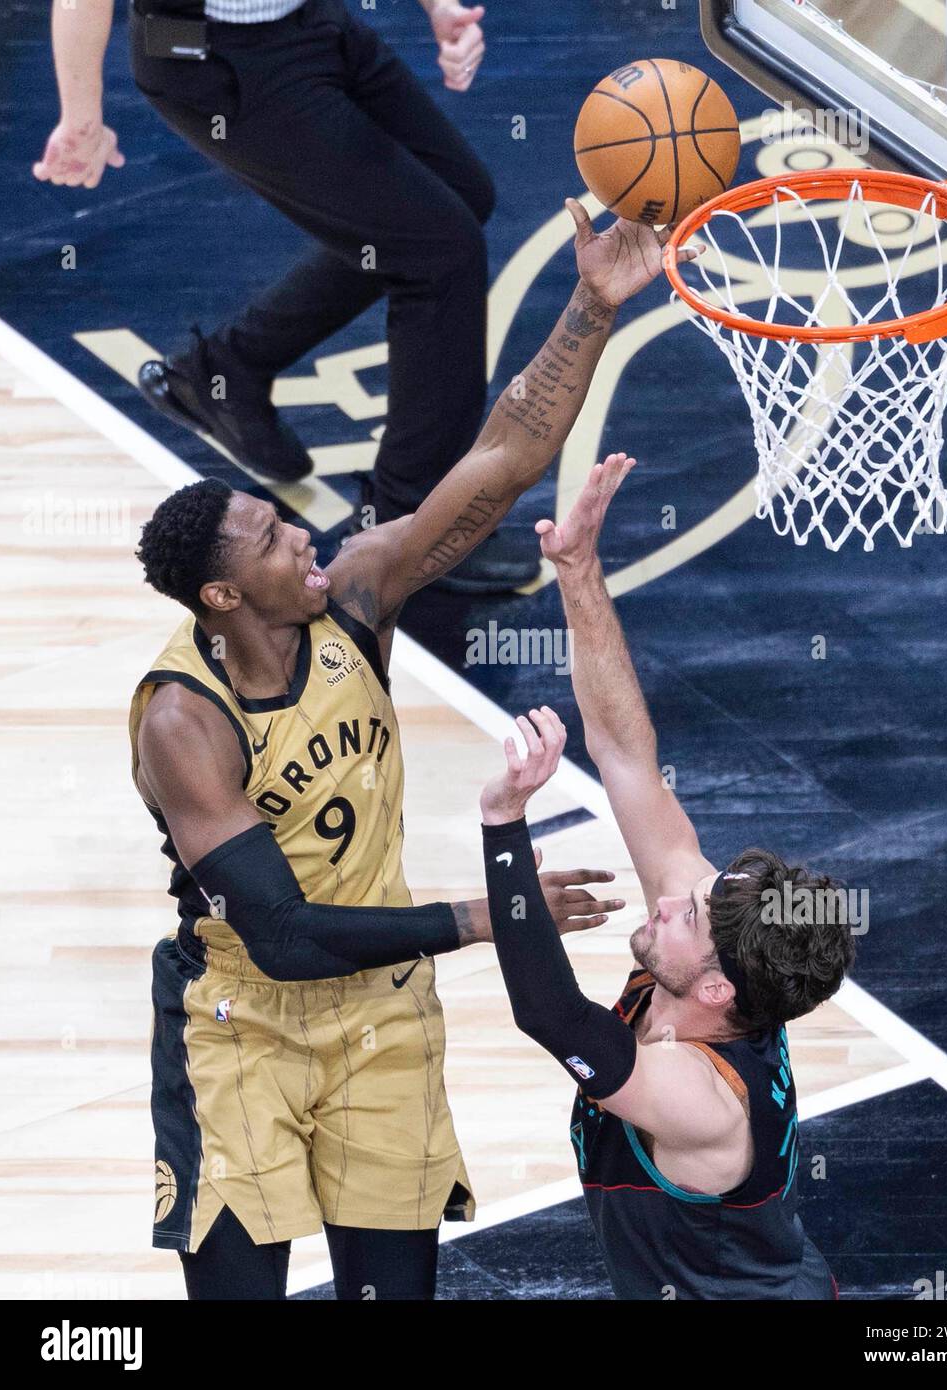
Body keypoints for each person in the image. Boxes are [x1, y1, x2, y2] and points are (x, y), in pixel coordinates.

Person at [128, 211, 689, 1299]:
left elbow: (504, 452)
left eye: (285, 522)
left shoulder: (358, 594)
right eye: (274, 541)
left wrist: (592, 303)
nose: (306, 538)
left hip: (381, 1013)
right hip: (242, 1018)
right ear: (221, 596)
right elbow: (285, 937)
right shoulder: (180, 721)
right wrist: (486, 917)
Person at [477, 454, 856, 1299]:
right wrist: (577, 572)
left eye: (689, 913)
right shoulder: (716, 963)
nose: (672, 894)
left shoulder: (701, 1099)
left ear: (717, 991)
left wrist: (503, 827)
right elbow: (625, 758)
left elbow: (550, 1013)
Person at [35, 0, 531, 591]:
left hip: (312, 23)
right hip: (214, 59)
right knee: (438, 250)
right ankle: (411, 525)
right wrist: (82, 119)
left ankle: (228, 367)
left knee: (459, 195)